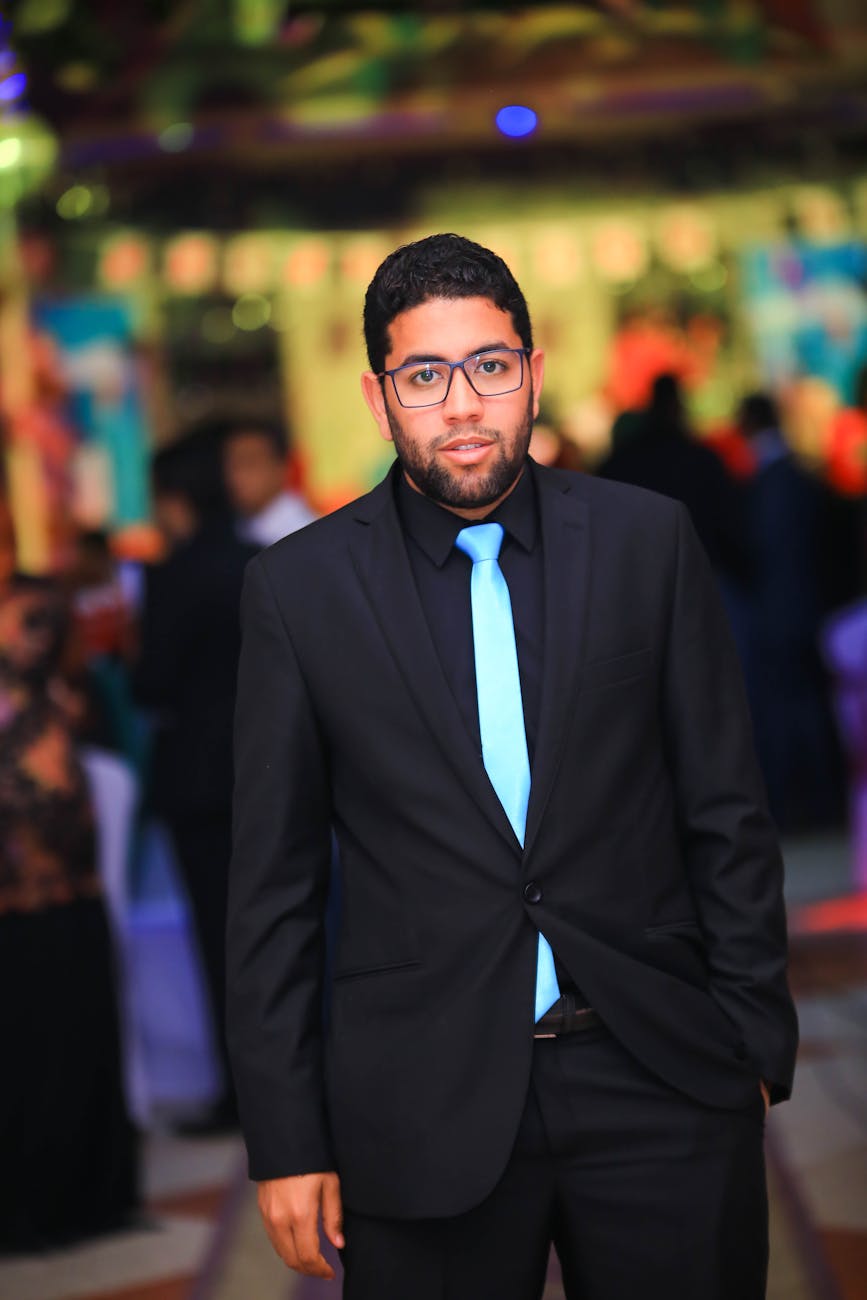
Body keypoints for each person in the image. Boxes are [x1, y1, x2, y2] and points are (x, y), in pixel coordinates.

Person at [227, 234, 798, 1300]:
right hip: (419, 1094)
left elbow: (726, 806)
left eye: (489, 366)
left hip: (658, 1073)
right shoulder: (299, 592)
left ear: (532, 372)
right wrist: (286, 1133)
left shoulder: (647, 541)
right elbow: (274, 888)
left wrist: (754, 1036)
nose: (462, 404)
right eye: (424, 374)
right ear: (379, 392)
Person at [0, 574, 138, 1250]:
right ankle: (40, 1205)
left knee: (76, 1038)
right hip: (20, 897)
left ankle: (88, 1196)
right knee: (30, 1053)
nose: (34, 637)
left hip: (66, 890)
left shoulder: (52, 660)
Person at [134, 427, 257, 1129]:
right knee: (283, 934)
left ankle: (240, 1096)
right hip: (270, 772)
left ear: (172, 498)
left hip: (201, 785)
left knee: (219, 942)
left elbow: (153, 684)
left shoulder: (174, 573)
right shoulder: (259, 561)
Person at [222, 418, 316, 548]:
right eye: (232, 465)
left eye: (250, 463)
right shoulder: (238, 526)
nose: (237, 475)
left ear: (282, 467)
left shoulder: (303, 532)